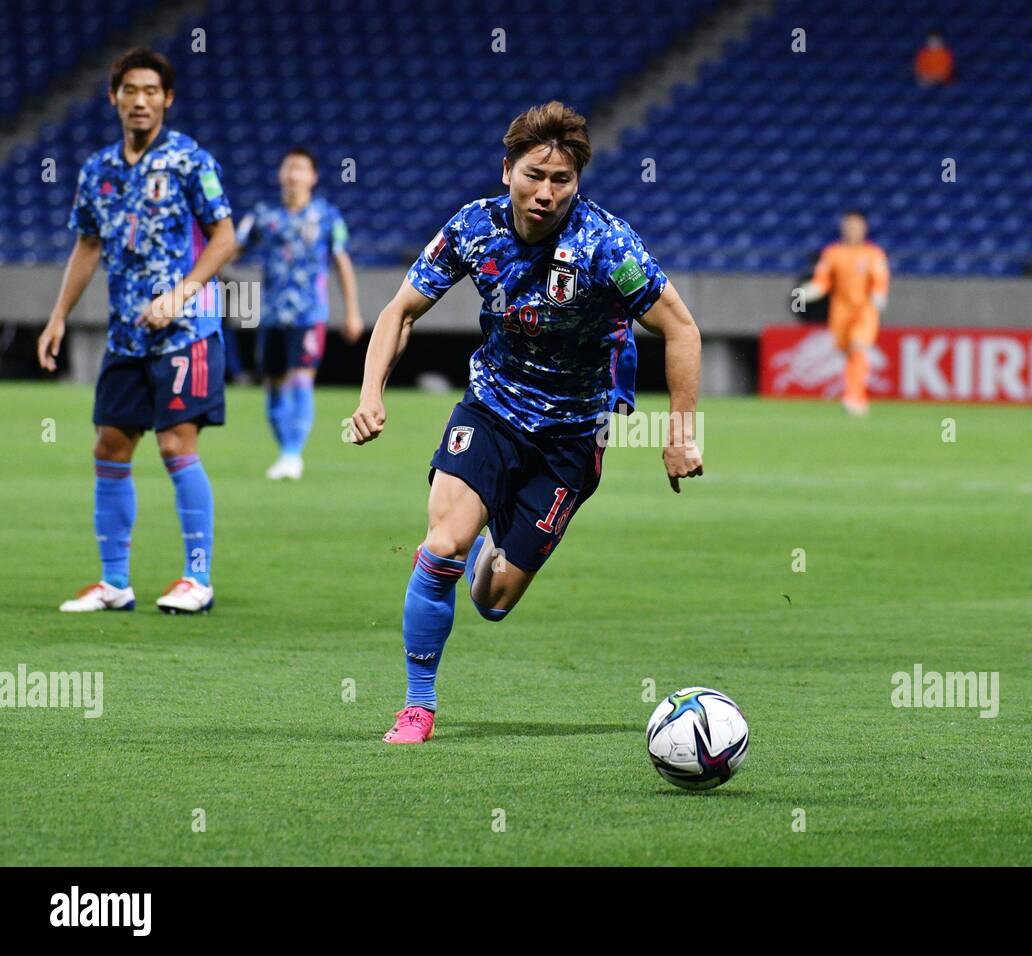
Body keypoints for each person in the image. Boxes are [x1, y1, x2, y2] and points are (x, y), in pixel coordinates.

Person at [349, 101, 703, 744]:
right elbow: (400, 311)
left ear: (578, 183)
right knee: (443, 545)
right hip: (491, 407)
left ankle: (497, 545)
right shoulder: (473, 228)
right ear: (506, 169)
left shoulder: (606, 245)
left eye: (561, 180)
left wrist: (681, 433)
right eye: (533, 176)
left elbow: (680, 326)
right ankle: (418, 705)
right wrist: (372, 392)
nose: (545, 194)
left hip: (574, 434)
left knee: (493, 599)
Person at [37, 47, 236, 614]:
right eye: (131, 90)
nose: (141, 100)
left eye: (152, 91)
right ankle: (115, 581)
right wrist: (57, 317)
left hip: (186, 333)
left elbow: (224, 238)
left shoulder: (190, 160)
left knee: (177, 445)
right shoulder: (97, 169)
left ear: (167, 99)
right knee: (110, 446)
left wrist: (179, 294)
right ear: (114, 98)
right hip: (127, 335)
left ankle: (197, 579)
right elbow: (88, 244)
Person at [233, 147, 364, 479]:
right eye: (288, 167)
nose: (293, 174)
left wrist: (352, 311)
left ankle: (293, 453)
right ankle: (285, 452)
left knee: (301, 377)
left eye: (301, 168)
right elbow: (231, 248)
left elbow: (342, 262)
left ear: (313, 177)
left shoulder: (326, 216)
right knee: (273, 384)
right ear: (280, 174)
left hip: (309, 314)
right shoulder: (263, 215)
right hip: (272, 314)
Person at [796, 210, 890, 415]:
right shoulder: (832, 253)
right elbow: (823, 281)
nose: (852, 230)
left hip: (864, 310)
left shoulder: (874, 253)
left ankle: (854, 398)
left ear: (864, 228)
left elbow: (880, 280)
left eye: (856, 226)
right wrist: (807, 292)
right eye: (848, 226)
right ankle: (856, 396)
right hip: (840, 311)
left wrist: (879, 296)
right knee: (849, 354)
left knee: (858, 346)